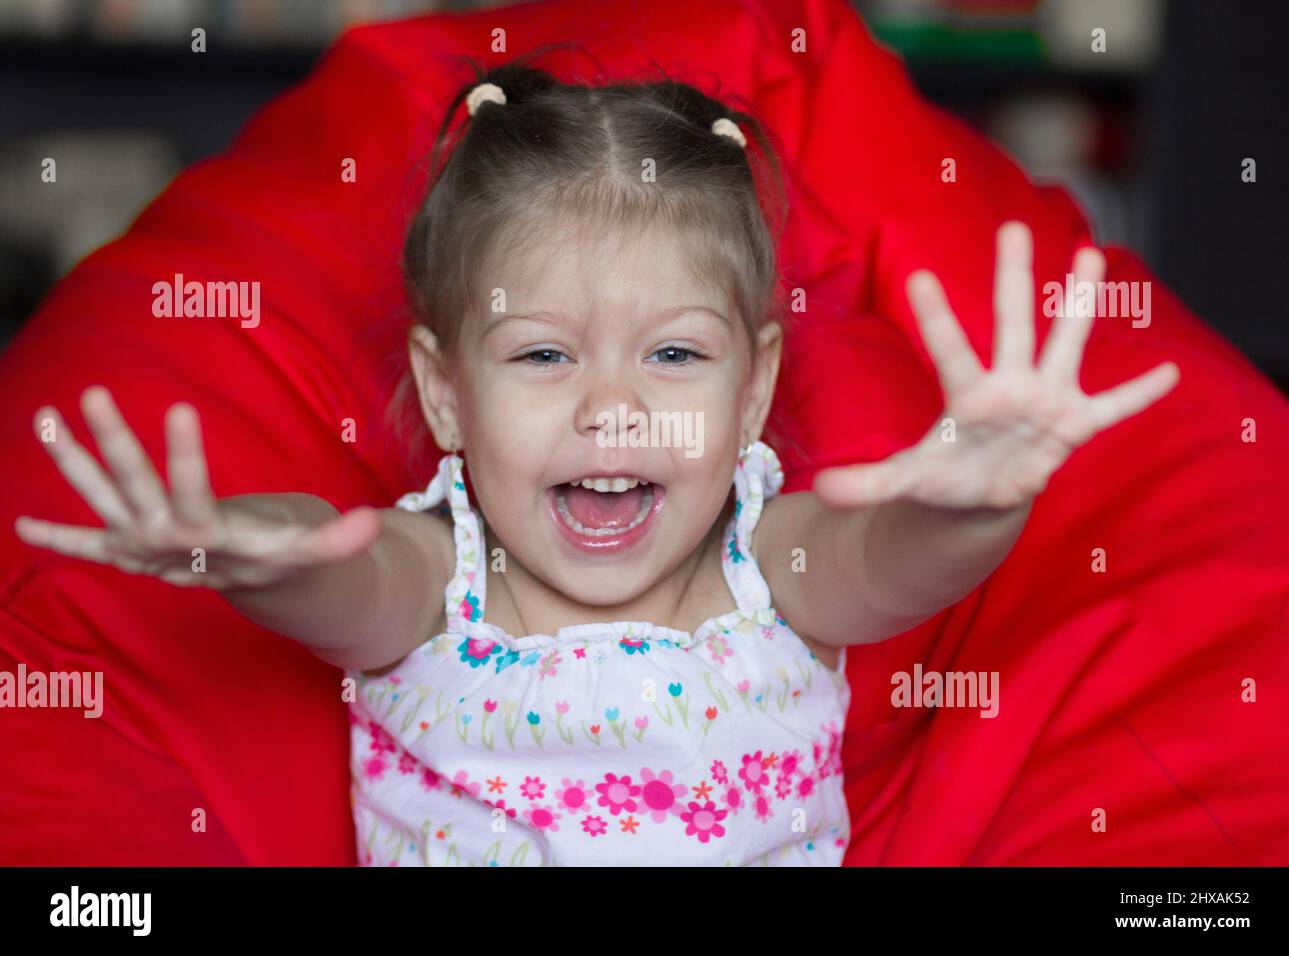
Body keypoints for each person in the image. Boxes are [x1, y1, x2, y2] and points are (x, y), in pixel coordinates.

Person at [14, 58, 1179, 866]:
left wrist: (977, 502)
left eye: (673, 352)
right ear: (444, 394)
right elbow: (336, 565)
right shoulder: (442, 580)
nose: (612, 407)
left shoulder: (768, 564)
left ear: (755, 391)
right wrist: (238, 542)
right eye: (543, 354)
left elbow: (891, 560)